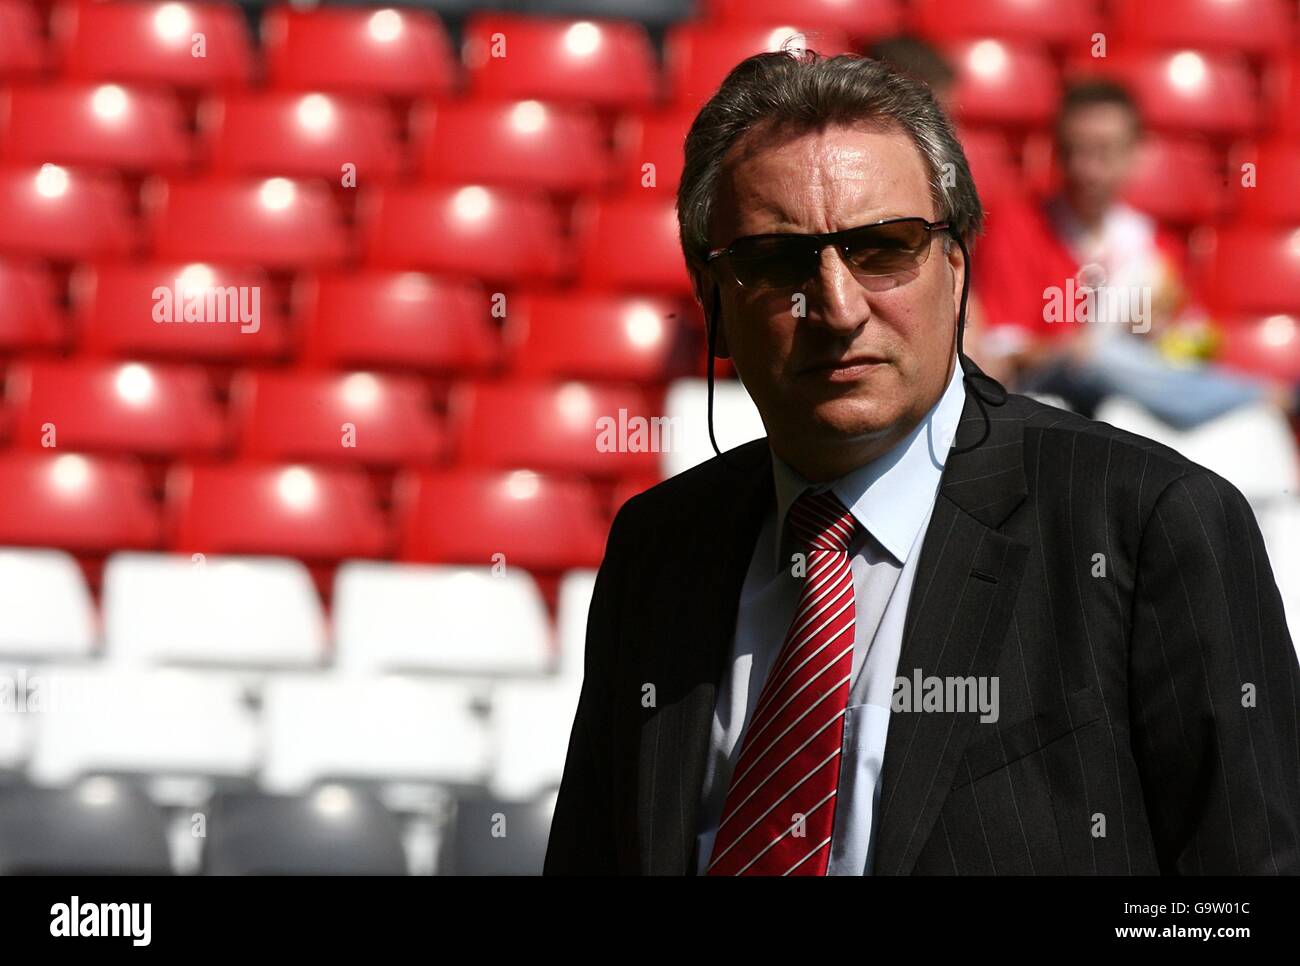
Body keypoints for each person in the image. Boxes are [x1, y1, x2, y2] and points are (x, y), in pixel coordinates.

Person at [544, 50, 1300, 875]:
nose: (836, 307)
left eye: (885, 247)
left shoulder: (1151, 526)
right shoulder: (659, 549)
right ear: (711, 295)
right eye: (777, 260)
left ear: (956, 262)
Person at [977, 80, 1294, 427]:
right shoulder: (1017, 226)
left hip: (1129, 397)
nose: (1086, 168)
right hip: (1044, 391)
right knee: (1097, 357)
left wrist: (1158, 331)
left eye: (1104, 151)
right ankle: (1261, 396)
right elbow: (998, 351)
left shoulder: (1153, 244)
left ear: (1134, 154)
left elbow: (1191, 342)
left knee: (1111, 360)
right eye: (1073, 150)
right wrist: (1069, 349)